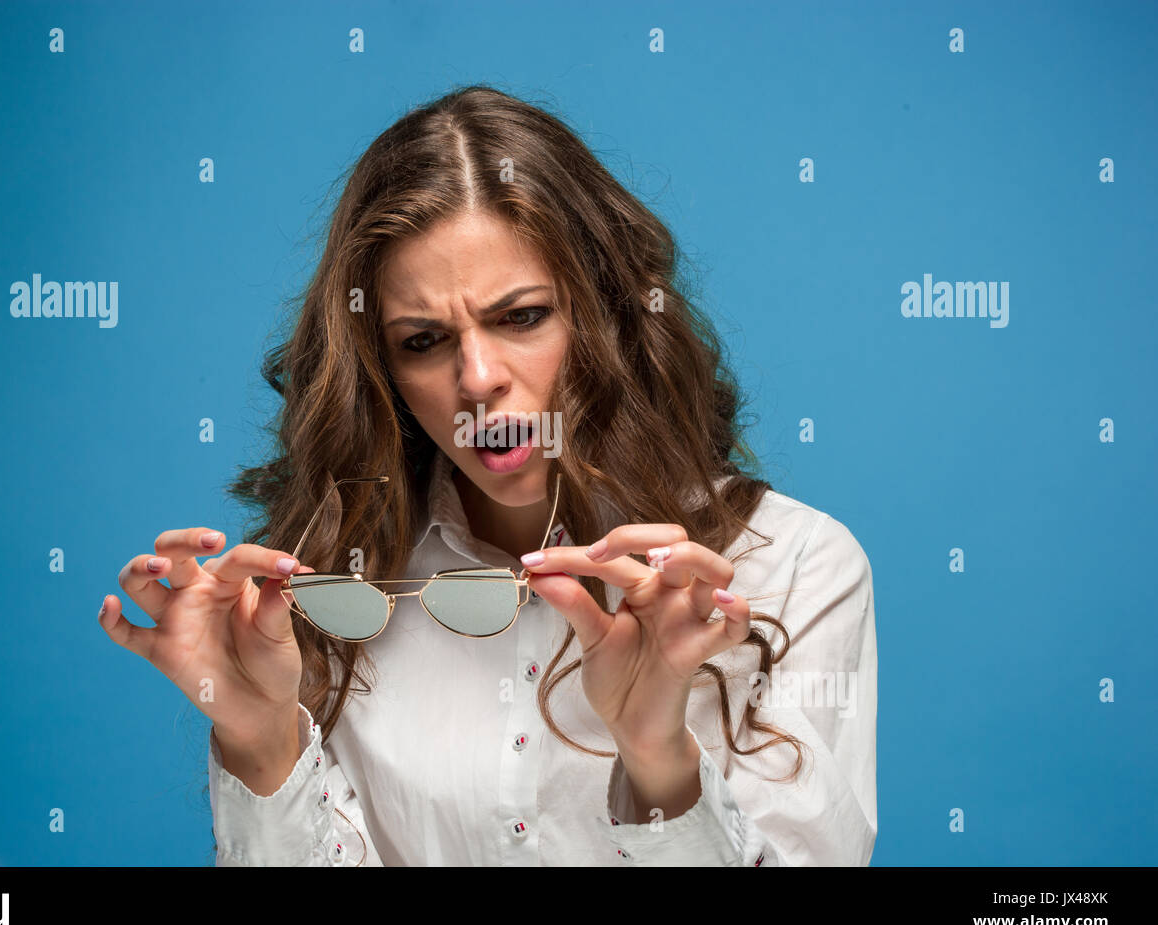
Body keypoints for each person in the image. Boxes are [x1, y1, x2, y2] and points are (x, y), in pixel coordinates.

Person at [97, 85, 877, 866]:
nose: (477, 378)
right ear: (383, 369)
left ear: (608, 313)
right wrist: (260, 741)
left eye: (522, 316)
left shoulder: (794, 565)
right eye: (424, 340)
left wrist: (658, 761)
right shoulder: (335, 586)